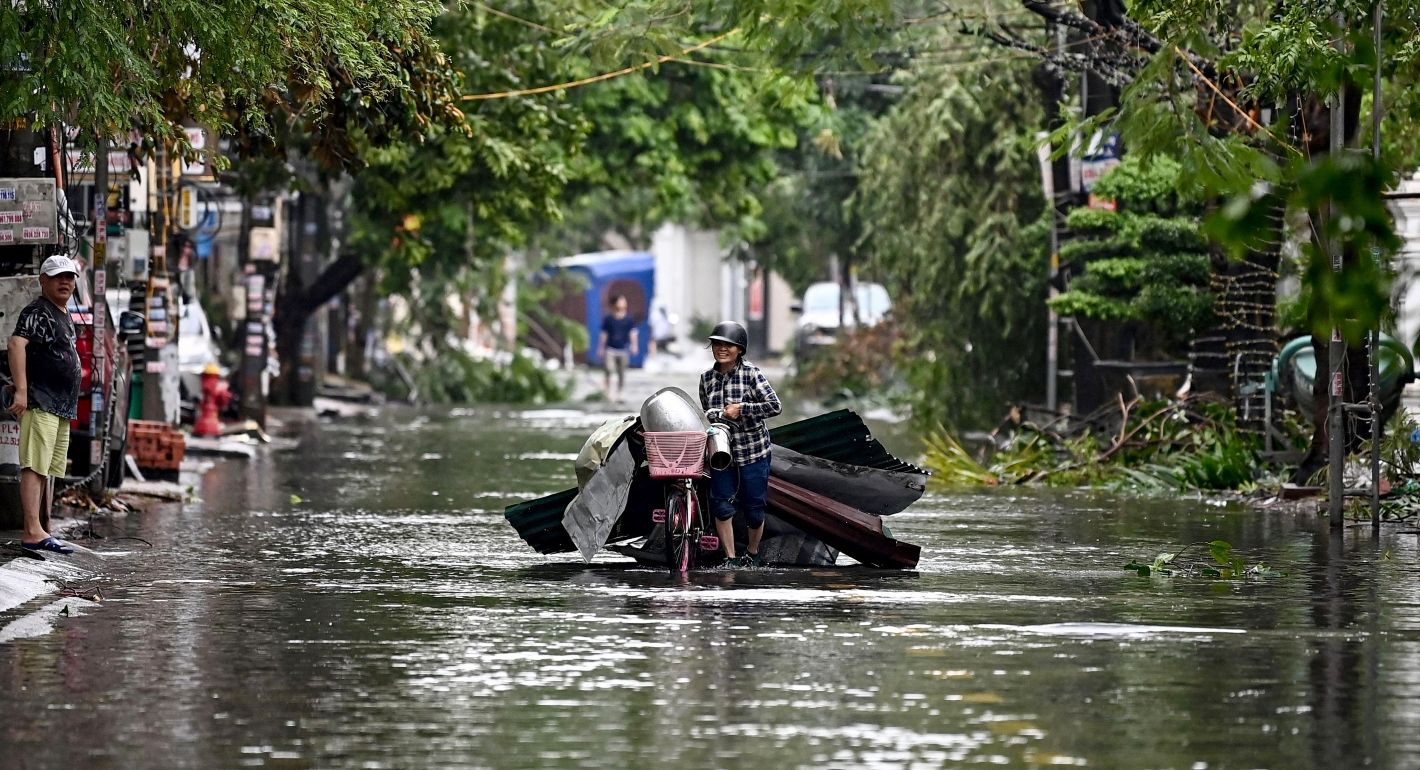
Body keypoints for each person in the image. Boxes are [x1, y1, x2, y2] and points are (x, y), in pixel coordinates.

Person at [7, 255, 83, 555]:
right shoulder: (38, 311)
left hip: (59, 405)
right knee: (33, 466)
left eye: (69, 277)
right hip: (42, 401)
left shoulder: (60, 313)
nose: (65, 282)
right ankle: (31, 531)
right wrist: (22, 390)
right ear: (43, 281)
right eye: (57, 277)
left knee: (45, 469)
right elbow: (16, 344)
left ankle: (40, 529)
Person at [698, 320, 781, 567]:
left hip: (753, 451)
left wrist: (742, 410)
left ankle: (753, 554)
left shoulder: (752, 374)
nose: (722, 349)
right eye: (717, 345)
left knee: (754, 508)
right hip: (720, 454)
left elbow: (775, 406)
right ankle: (730, 558)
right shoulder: (706, 379)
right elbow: (705, 410)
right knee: (721, 505)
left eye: (728, 345)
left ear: (740, 350)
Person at [597, 294, 638, 404]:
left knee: (621, 373)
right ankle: (608, 393)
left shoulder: (629, 319)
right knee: (609, 370)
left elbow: (633, 333)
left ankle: (620, 394)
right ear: (615, 303)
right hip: (610, 349)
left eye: (624, 301)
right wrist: (601, 348)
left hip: (623, 349)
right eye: (621, 301)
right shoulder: (608, 318)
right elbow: (604, 334)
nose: (623, 303)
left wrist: (634, 346)